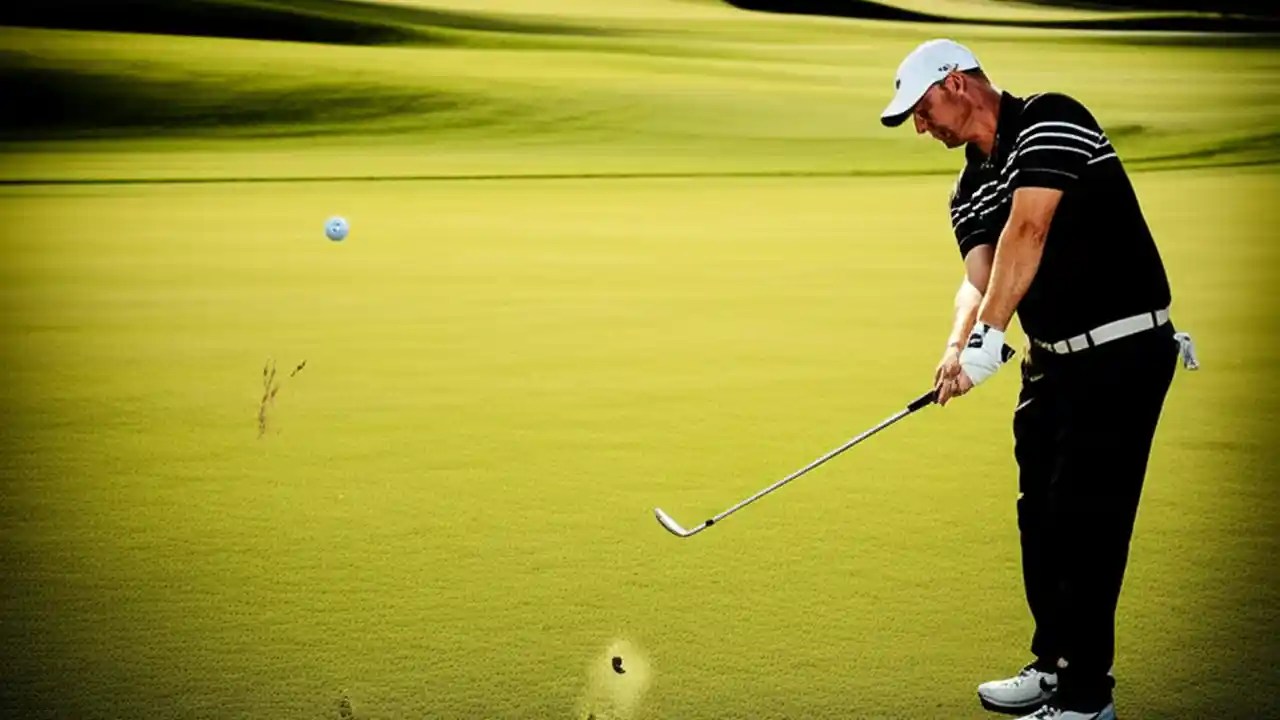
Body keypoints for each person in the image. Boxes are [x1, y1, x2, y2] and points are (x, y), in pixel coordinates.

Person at [877, 38, 1199, 720]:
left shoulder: (1051, 117)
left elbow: (1031, 228)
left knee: (1089, 517)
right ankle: (1054, 664)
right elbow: (979, 278)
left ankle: (1088, 699)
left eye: (923, 107)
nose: (920, 125)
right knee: (1042, 518)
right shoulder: (967, 188)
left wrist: (991, 340)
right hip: (1051, 360)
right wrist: (957, 347)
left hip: (1124, 350)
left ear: (957, 82)